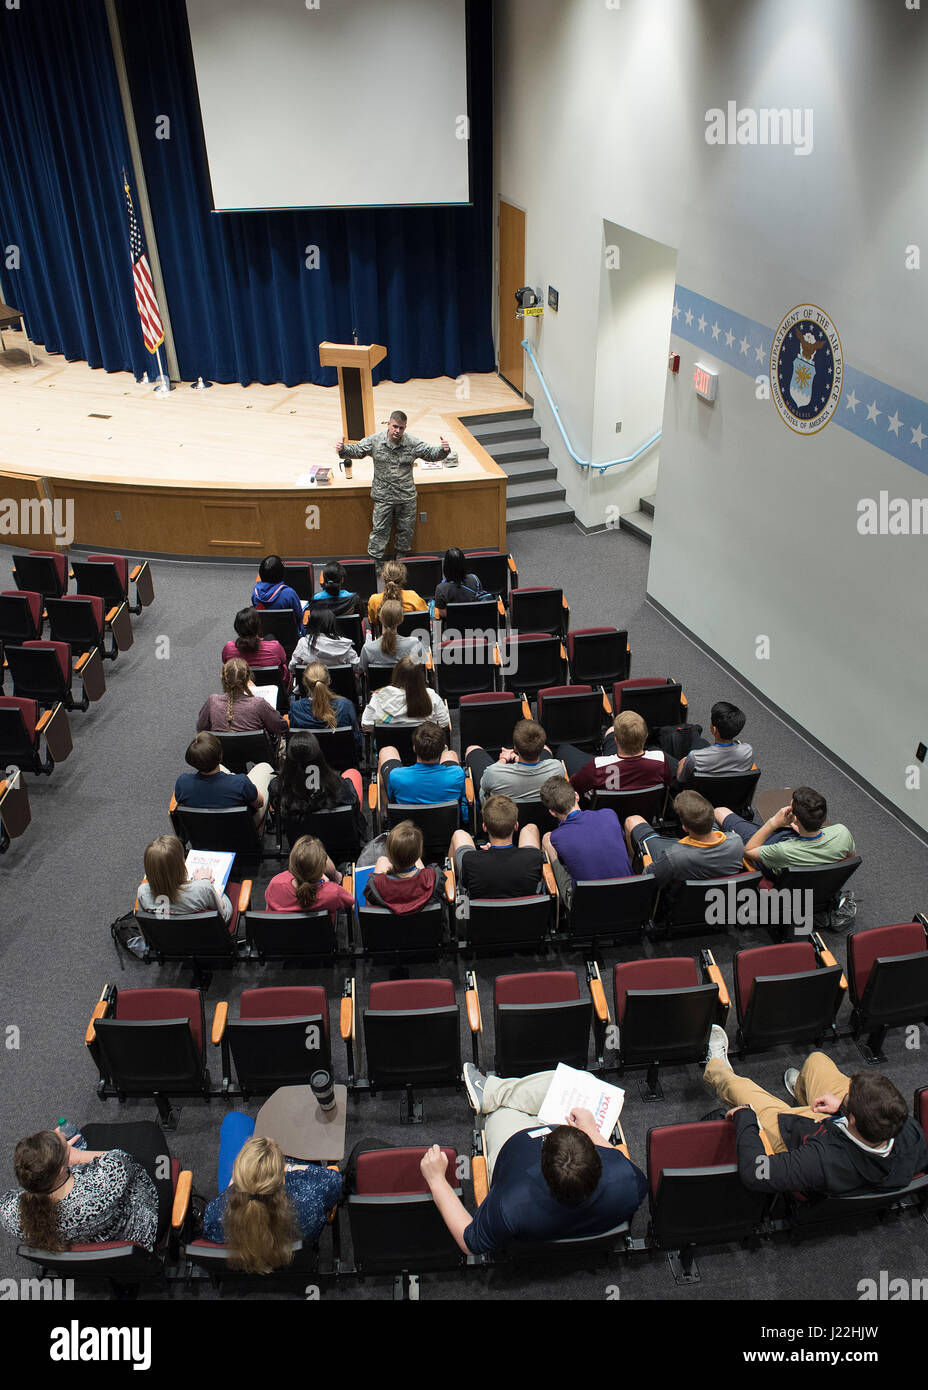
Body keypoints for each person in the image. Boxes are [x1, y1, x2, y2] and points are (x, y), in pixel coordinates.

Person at [419, 1064, 647, 1255]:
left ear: (541, 1158)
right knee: (585, 1080)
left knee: (500, 1111)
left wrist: (436, 1179)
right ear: (598, 1158)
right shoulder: (629, 1181)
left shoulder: (509, 1204)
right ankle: (493, 1090)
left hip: (509, 1140)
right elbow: (618, 1160)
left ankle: (491, 1093)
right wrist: (592, 1130)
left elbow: (470, 1243)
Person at [703, 1027, 928, 1197]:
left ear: (854, 1119)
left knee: (739, 1089)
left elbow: (756, 1174)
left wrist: (746, 1118)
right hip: (842, 1125)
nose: (846, 1093)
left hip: (802, 1135)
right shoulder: (906, 1128)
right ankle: (802, 1092)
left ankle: (715, 1065)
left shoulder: (819, 1161)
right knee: (817, 1061)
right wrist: (842, 1105)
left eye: (849, 1095)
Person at [0, 1122, 168, 1253]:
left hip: (83, 1249)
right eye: (66, 1146)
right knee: (149, 1133)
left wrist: (48, 1152)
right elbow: (124, 1159)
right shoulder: (103, 1186)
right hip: (135, 1232)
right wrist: (79, 1157)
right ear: (60, 1169)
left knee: (89, 1131)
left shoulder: (9, 1213)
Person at [204, 1118, 342, 1273]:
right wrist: (290, 1167)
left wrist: (231, 1187)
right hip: (294, 1254)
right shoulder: (311, 1195)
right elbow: (334, 1180)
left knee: (234, 1121)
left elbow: (210, 1231)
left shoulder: (217, 1214)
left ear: (237, 1174)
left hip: (245, 1248)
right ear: (282, 1179)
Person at [335, 409, 451, 562]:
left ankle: (401, 562)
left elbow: (430, 453)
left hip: (406, 497)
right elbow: (357, 450)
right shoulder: (375, 441)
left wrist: (443, 451)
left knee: (406, 532)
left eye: (401, 428)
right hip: (384, 497)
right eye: (395, 426)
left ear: (405, 428)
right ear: (388, 424)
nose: (397, 431)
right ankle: (375, 563)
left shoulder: (412, 443)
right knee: (379, 531)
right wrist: (343, 449)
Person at [624, 789, 746, 895]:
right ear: (712, 818)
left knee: (633, 820)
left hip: (677, 897)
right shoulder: (736, 841)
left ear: (685, 828)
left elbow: (648, 877)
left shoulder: (673, 857)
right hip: (719, 900)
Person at [714, 785, 855, 876]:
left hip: (774, 856)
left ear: (795, 819)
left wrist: (773, 823)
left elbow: (748, 851)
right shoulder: (842, 832)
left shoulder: (783, 851)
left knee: (720, 812)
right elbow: (848, 858)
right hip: (799, 844)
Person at [539, 776, 632, 904]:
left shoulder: (556, 838)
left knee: (546, 841)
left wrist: (550, 847)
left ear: (552, 812)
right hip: (630, 896)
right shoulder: (609, 814)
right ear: (576, 796)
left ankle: (557, 909)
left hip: (587, 908)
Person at [270, 731, 366, 842]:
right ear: (319, 756)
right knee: (353, 773)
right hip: (339, 843)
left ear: (289, 759)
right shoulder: (339, 787)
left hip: (301, 846)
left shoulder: (276, 787)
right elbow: (355, 810)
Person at [449, 794, 544, 898]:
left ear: (484, 827)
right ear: (516, 826)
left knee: (459, 834)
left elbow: (466, 883)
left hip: (479, 912)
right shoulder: (534, 857)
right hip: (526, 911)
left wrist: (487, 854)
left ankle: (451, 882)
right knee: (531, 828)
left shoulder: (469, 860)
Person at [174, 731, 272, 829]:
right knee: (265, 767)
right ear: (220, 756)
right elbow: (259, 803)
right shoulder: (240, 783)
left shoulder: (182, 783)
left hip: (203, 831)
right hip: (241, 831)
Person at [377, 719, 468, 824]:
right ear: (443, 748)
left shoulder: (396, 776)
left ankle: (387, 813)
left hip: (406, 830)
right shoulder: (457, 774)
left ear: (414, 748)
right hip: (445, 827)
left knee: (387, 751)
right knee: (451, 754)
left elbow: (392, 795)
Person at [562, 710, 672, 796]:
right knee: (609, 732)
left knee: (564, 749)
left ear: (616, 740)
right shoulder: (660, 760)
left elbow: (574, 787)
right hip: (645, 810)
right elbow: (667, 783)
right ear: (646, 737)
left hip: (603, 815)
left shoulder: (598, 766)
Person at [464, 718, 565, 810]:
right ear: (541, 748)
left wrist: (503, 758)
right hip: (543, 821)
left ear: (515, 748)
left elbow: (484, 787)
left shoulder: (493, 773)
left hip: (502, 818)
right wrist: (515, 758)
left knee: (472, 750)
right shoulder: (557, 768)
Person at [137, 833, 234, 923]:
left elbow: (145, 922)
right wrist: (205, 881)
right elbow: (223, 915)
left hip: (167, 938)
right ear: (180, 865)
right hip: (204, 936)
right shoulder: (203, 889)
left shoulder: (143, 892)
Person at [363, 819, 445, 914]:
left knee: (381, 861)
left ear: (389, 854)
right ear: (419, 853)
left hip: (389, 927)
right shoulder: (432, 877)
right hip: (426, 927)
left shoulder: (376, 884)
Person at [197, 658, 288, 741]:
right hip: (257, 756)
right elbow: (281, 727)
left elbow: (201, 729)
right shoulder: (258, 703)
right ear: (248, 679)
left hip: (222, 754)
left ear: (223, 679)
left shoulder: (212, 701)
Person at [264, 834, 354, 917]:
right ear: (322, 868)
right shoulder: (332, 893)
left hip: (282, 933)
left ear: (292, 865)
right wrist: (328, 883)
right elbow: (350, 901)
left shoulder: (275, 883)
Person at [360, 654, 449, 729]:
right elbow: (444, 723)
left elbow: (366, 724)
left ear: (396, 673)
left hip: (389, 748)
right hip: (424, 748)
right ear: (421, 677)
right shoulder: (431, 697)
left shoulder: (379, 697)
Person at [288, 662, 361, 754]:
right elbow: (356, 740)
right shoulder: (346, 705)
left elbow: (294, 740)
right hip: (342, 762)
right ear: (329, 680)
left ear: (304, 683)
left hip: (307, 762)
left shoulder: (296, 708)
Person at [676, 700, 754, 785]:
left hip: (699, 794)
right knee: (700, 741)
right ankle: (694, 730)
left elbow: (681, 778)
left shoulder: (695, 757)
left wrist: (682, 762)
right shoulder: (748, 751)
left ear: (714, 729)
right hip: (730, 792)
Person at [222, 607, 291, 693]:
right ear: (258, 626)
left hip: (239, 693)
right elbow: (284, 660)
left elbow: (226, 664)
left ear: (237, 628)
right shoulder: (274, 647)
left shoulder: (229, 648)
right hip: (274, 693)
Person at [359, 598, 424, 672]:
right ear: (401, 619)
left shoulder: (368, 649)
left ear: (380, 618)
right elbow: (420, 669)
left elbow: (361, 670)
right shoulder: (415, 644)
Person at [290, 606, 360, 671]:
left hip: (310, 684)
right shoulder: (345, 645)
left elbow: (292, 668)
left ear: (311, 624)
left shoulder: (303, 643)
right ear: (333, 623)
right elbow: (358, 668)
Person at [367, 560, 428, 627]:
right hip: (411, 636)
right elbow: (424, 617)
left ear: (383, 578)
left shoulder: (374, 600)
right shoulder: (413, 596)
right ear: (403, 579)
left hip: (386, 637)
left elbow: (373, 622)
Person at [433, 546, 485, 619]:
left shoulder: (440, 589)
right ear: (464, 563)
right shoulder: (475, 579)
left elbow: (442, 613)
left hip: (454, 628)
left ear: (446, 566)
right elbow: (480, 600)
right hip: (476, 625)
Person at [251, 554, 303, 626]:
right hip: (289, 634)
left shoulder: (255, 592)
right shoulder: (289, 594)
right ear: (281, 574)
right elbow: (299, 616)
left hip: (264, 631)